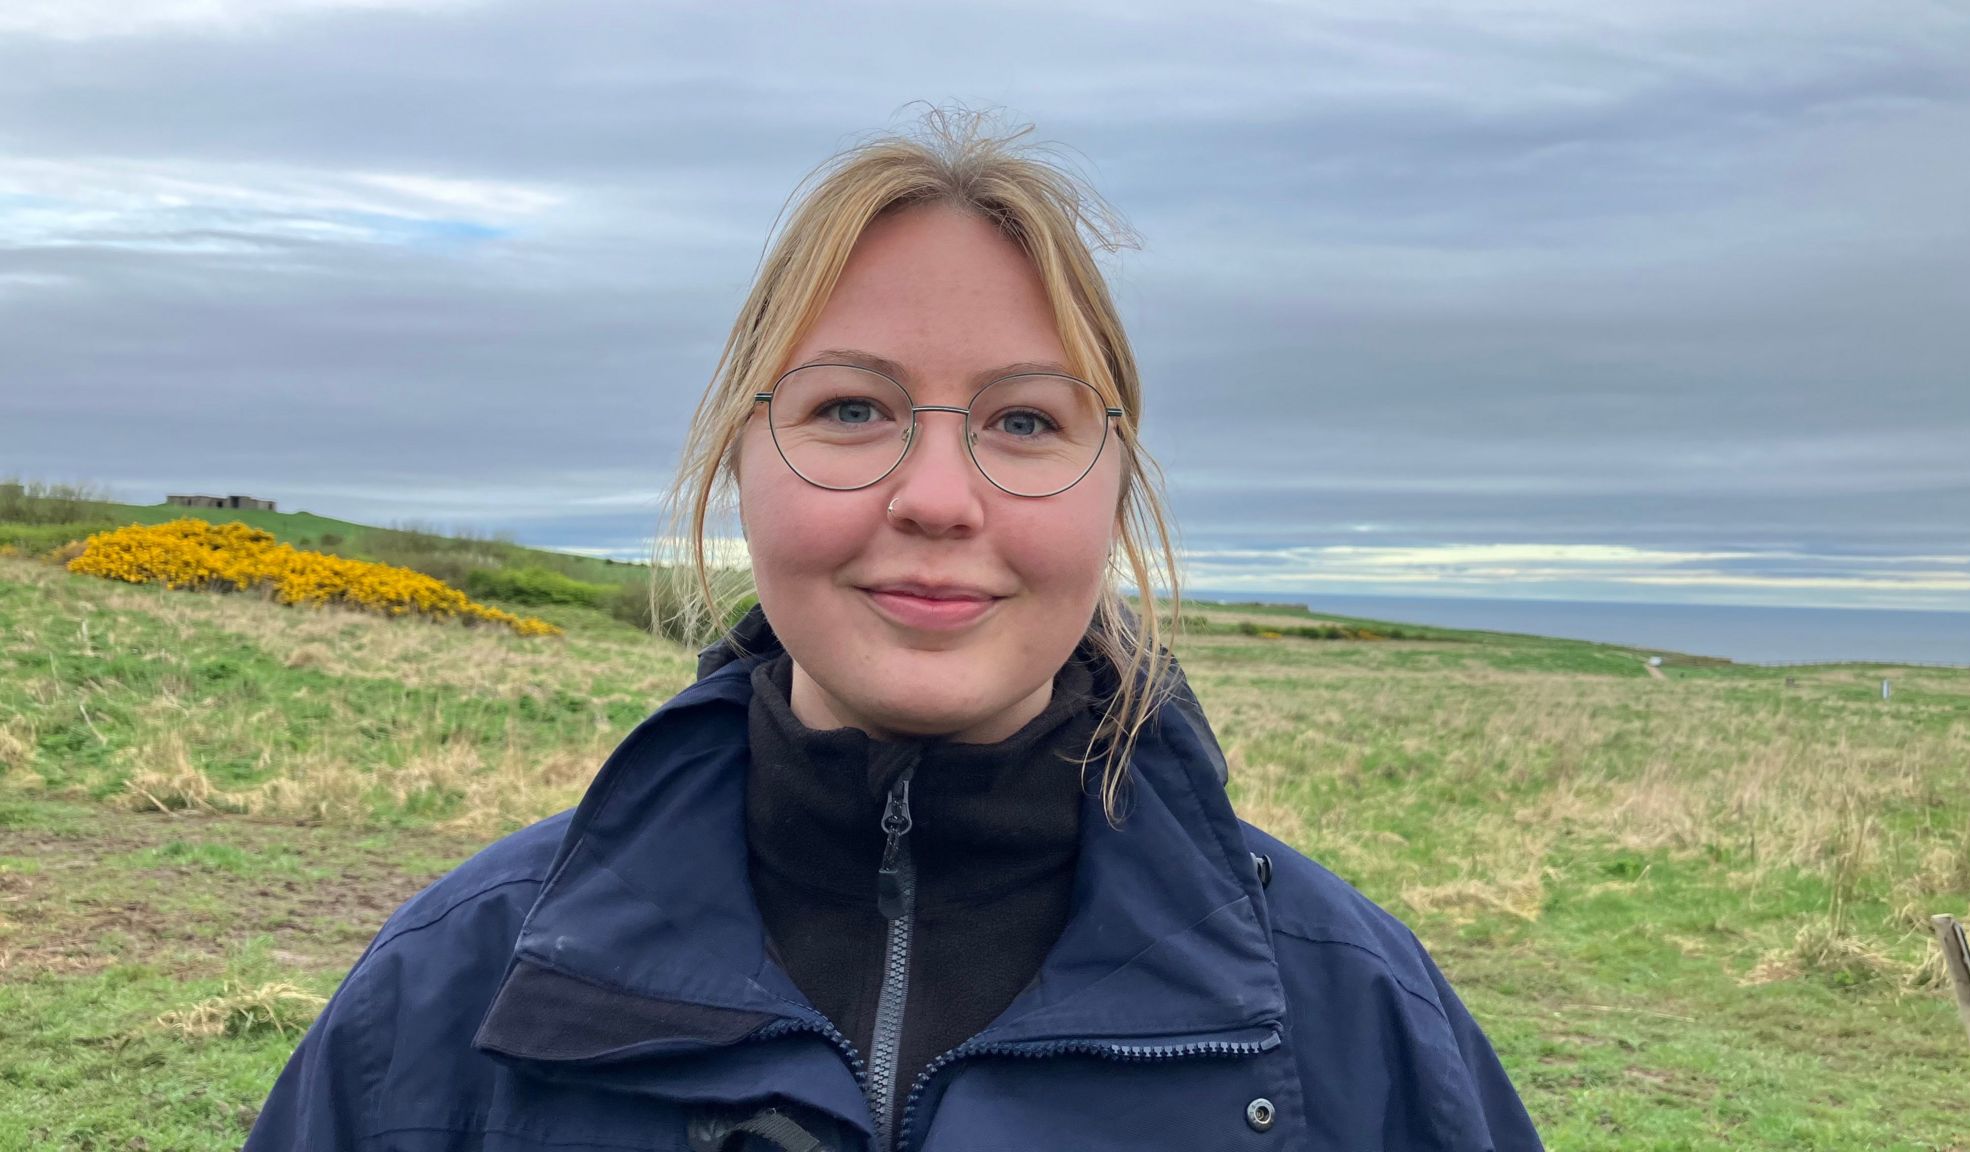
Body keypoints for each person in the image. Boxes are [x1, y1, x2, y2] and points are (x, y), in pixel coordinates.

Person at [245, 112, 1544, 1152]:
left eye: (1027, 421)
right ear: (740, 459)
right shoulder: (453, 987)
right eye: (854, 409)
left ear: (1116, 484)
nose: (934, 497)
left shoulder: (1354, 1017)